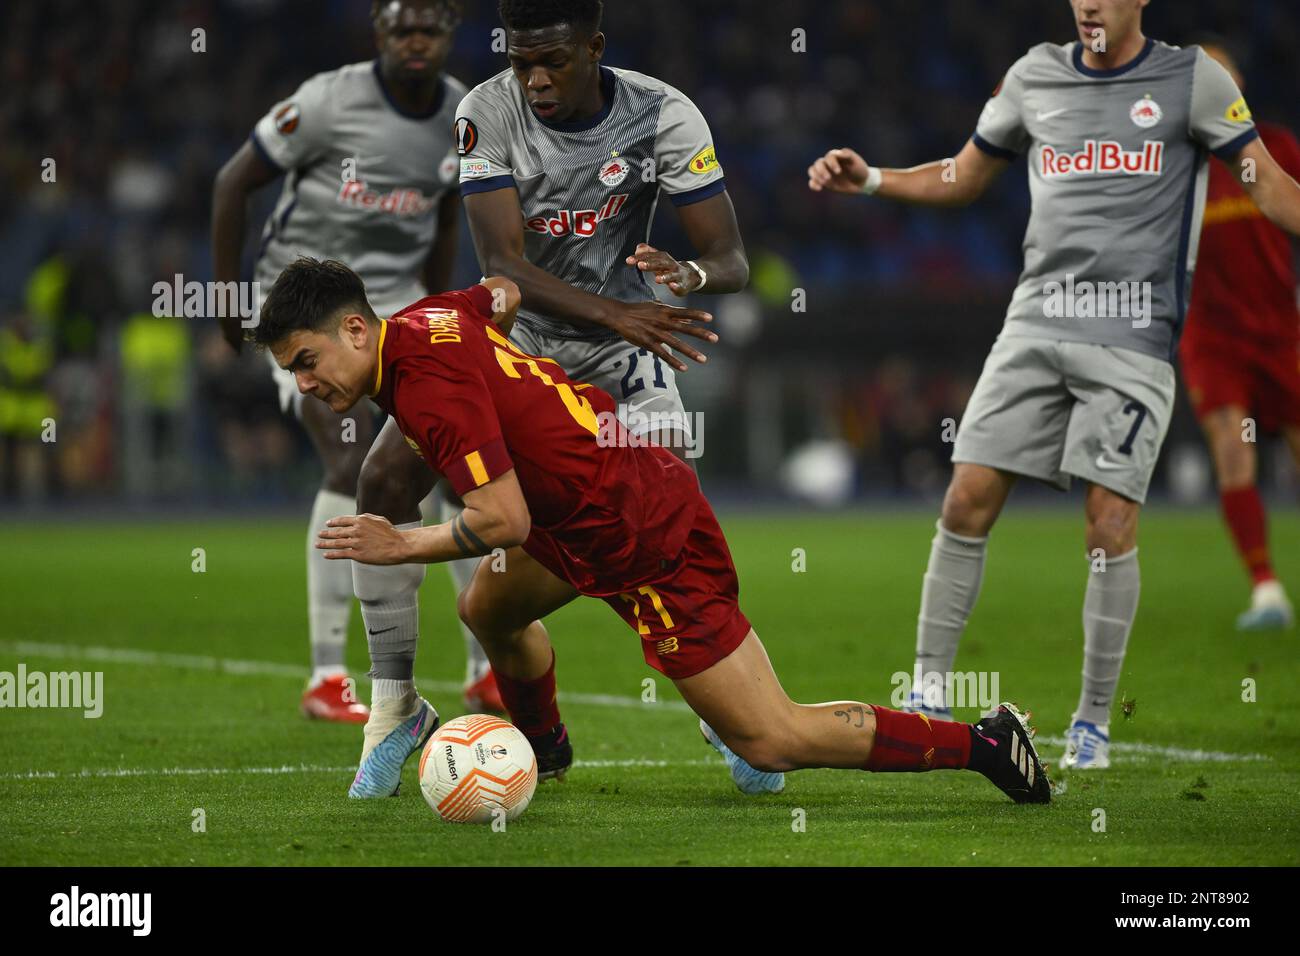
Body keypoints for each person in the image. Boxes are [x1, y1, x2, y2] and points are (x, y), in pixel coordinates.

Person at [255, 256, 1053, 807]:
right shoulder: (427, 320)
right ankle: (546, 748)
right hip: (590, 515)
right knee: (488, 610)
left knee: (773, 737)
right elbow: (499, 292)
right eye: (292, 369)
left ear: (357, 331)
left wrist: (404, 545)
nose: (304, 383)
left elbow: (501, 521)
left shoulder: (427, 390)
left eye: (305, 359)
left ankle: (985, 744)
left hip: (642, 540)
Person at [807, 0, 1300, 768]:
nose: (1089, 5)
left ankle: (1092, 723)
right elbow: (962, 176)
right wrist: (873, 179)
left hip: (1133, 336)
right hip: (1035, 324)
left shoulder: (1193, 80)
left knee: (1108, 526)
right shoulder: (1033, 74)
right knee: (966, 496)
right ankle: (929, 693)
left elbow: (1268, 186)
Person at [352, 0, 772, 792]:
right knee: (380, 481)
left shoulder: (663, 114)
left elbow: (731, 259)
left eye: (553, 62)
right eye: (521, 63)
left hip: (625, 364)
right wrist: (619, 307)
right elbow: (503, 265)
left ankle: (728, 720)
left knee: (654, 551)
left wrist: (691, 276)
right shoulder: (486, 110)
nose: (536, 81)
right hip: (517, 356)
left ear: (595, 47)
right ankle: (395, 707)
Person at [210, 0, 502, 721]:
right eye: (401, 29)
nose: (415, 42)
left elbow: (440, 216)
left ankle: (484, 668)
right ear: (379, 34)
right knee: (350, 462)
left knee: (457, 471)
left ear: (448, 36)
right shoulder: (326, 102)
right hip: (304, 314)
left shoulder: (461, 118)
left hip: (394, 315)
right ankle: (325, 676)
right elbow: (230, 184)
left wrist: (438, 314)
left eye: (428, 30)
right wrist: (225, 298)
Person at [1179, 37, 1300, 631]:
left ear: (1239, 88)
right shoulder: (1174, 168)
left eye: (1219, 78)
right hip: (1212, 338)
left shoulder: (1275, 150)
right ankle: (1266, 589)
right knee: (1232, 449)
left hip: (1283, 333)